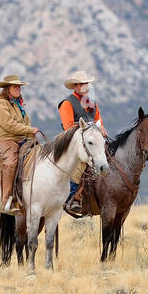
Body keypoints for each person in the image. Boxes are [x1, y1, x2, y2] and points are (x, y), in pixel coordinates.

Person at [57, 70, 107, 214]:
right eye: (83, 84)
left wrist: (101, 128)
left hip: (93, 140)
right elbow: (68, 127)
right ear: (76, 86)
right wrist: (87, 129)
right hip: (74, 140)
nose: (86, 86)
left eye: (87, 83)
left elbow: (98, 119)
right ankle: (72, 196)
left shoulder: (91, 102)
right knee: (79, 164)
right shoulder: (67, 103)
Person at [0, 74, 39, 214]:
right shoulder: (0, 103)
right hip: (6, 140)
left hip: (21, 139)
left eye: (19, 86)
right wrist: (29, 130)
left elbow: (25, 123)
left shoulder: (18, 105)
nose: (18, 89)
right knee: (11, 163)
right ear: (7, 88)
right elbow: (9, 125)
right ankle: (6, 201)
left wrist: (31, 135)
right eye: (15, 86)